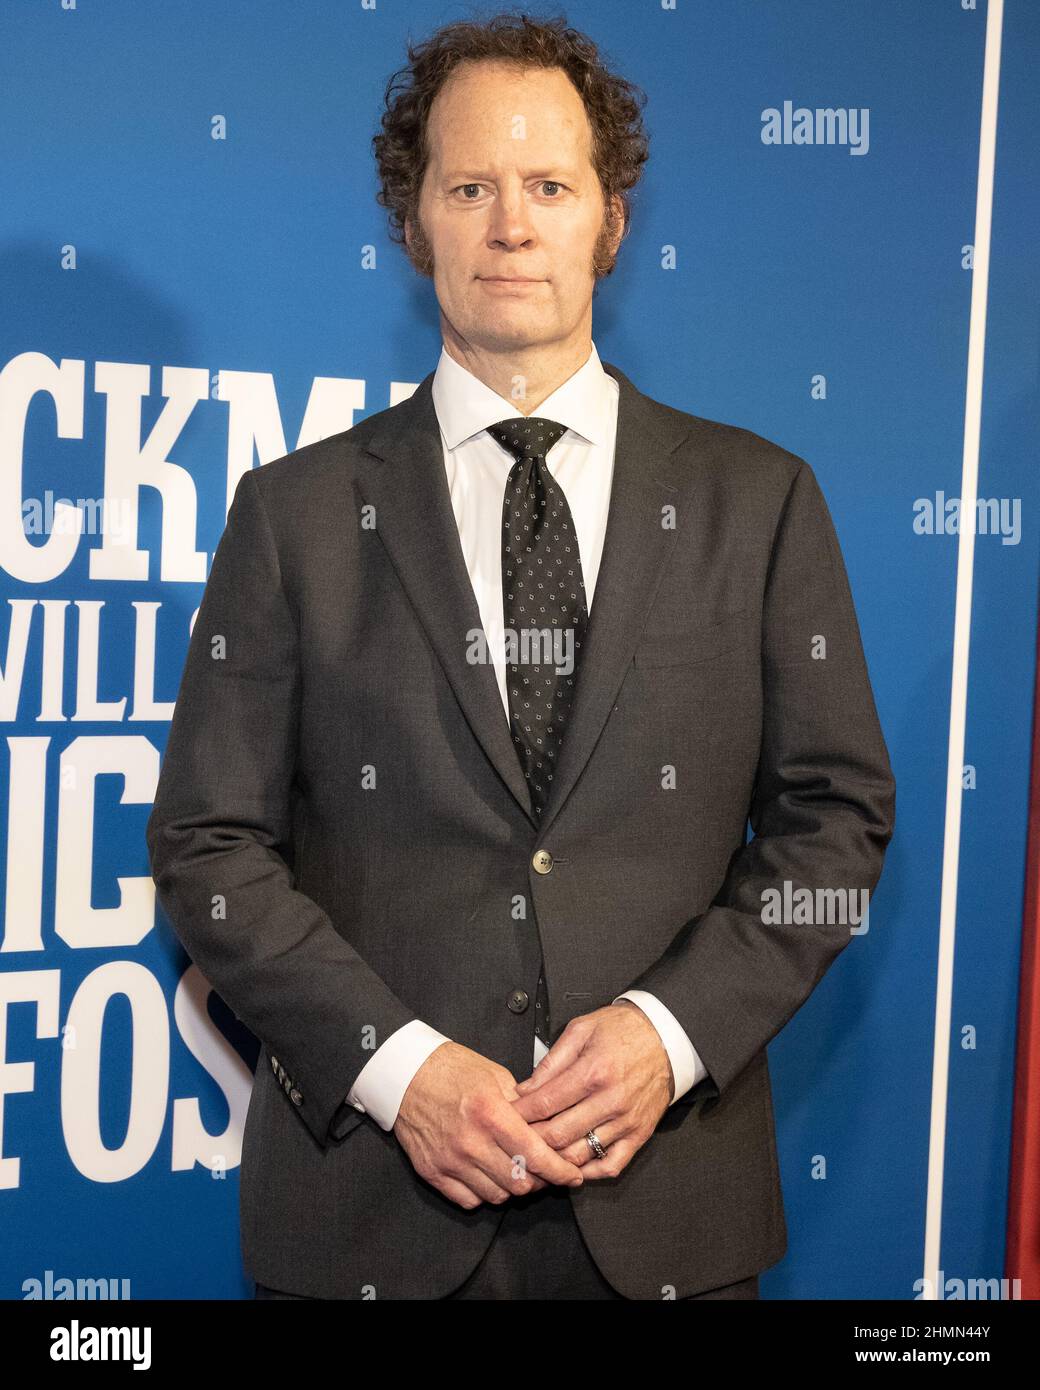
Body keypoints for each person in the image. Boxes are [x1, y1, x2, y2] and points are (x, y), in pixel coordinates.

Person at [146, 12, 895, 1301]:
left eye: (549, 185)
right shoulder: (294, 515)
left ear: (610, 217)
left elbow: (837, 823)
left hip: (671, 1219)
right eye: (470, 187)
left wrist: (669, 1036)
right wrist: (400, 1071)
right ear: (413, 218)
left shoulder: (758, 501)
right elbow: (207, 844)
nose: (511, 225)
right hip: (366, 1217)